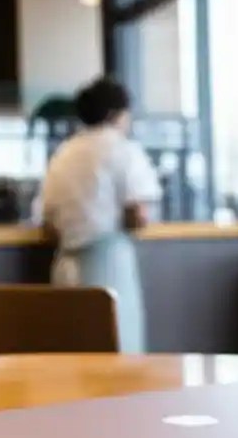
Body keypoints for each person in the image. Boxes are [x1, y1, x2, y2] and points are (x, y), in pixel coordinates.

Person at [39, 77, 162, 353]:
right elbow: (138, 215)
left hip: (65, 266)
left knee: (73, 354)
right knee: (118, 349)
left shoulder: (64, 153)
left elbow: (48, 225)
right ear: (116, 113)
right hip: (109, 266)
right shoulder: (123, 150)